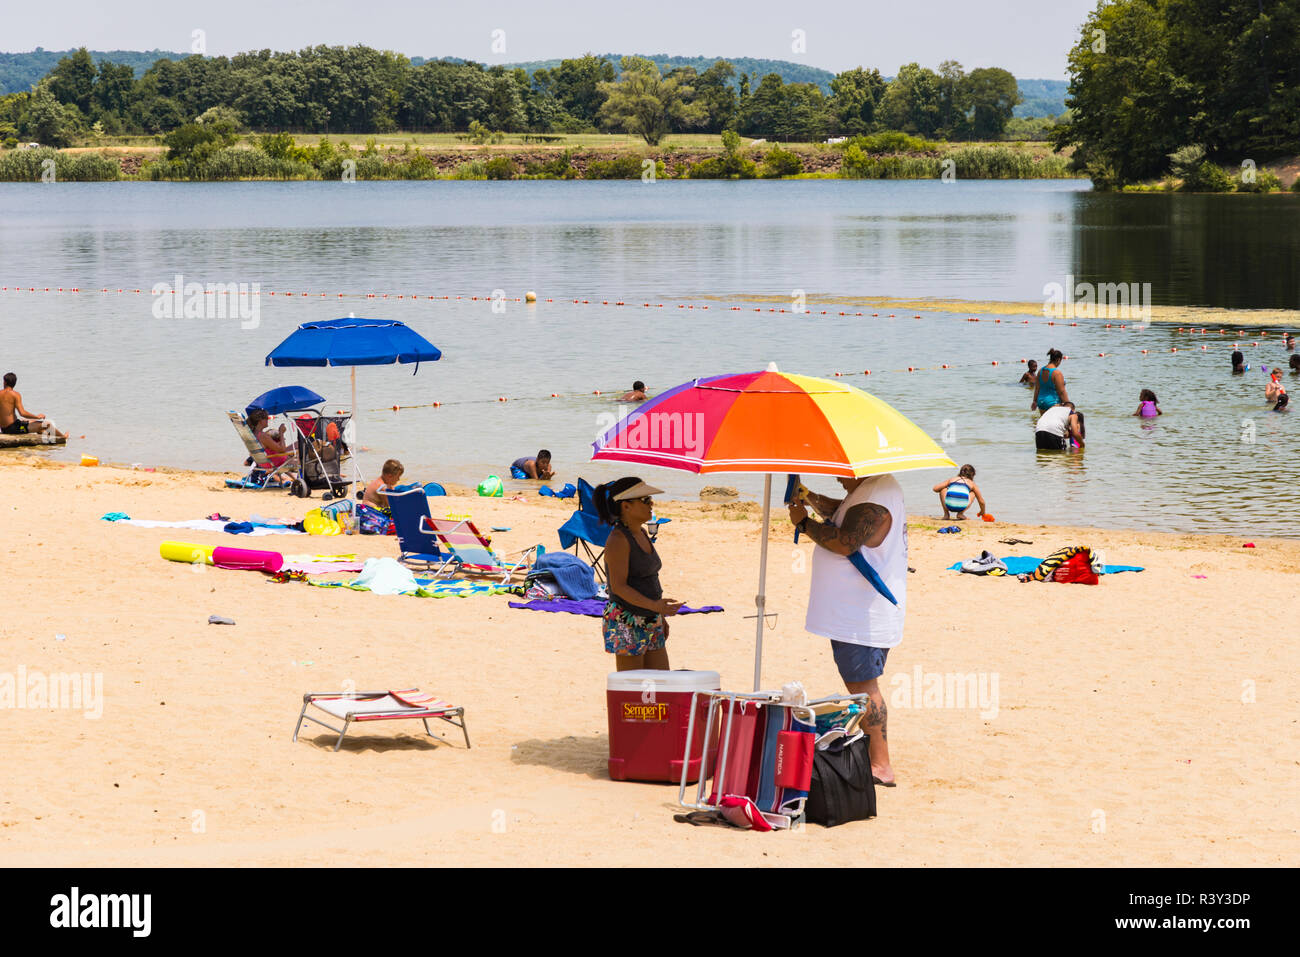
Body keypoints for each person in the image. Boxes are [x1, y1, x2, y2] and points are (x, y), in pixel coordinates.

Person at [787, 472, 907, 788]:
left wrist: (803, 523)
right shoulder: (871, 490)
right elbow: (843, 513)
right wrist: (808, 496)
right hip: (856, 612)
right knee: (861, 684)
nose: (838, 478)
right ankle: (875, 758)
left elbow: (845, 541)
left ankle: (881, 765)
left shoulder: (876, 497)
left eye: (841, 472)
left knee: (864, 686)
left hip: (861, 616)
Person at [595, 477, 682, 671]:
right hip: (627, 620)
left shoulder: (641, 532)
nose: (651, 504)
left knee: (661, 685)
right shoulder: (618, 539)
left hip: (651, 618)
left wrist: (659, 615)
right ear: (626, 506)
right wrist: (655, 606)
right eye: (645, 500)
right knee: (634, 691)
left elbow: (650, 578)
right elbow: (618, 587)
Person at [0, 372, 65, 437]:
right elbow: (22, 413)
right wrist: (37, 417)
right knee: (47, 424)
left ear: (5, 382)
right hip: (14, 429)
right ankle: (63, 437)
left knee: (31, 422)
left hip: (4, 428)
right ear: (14, 383)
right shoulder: (15, 394)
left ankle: (43, 434)